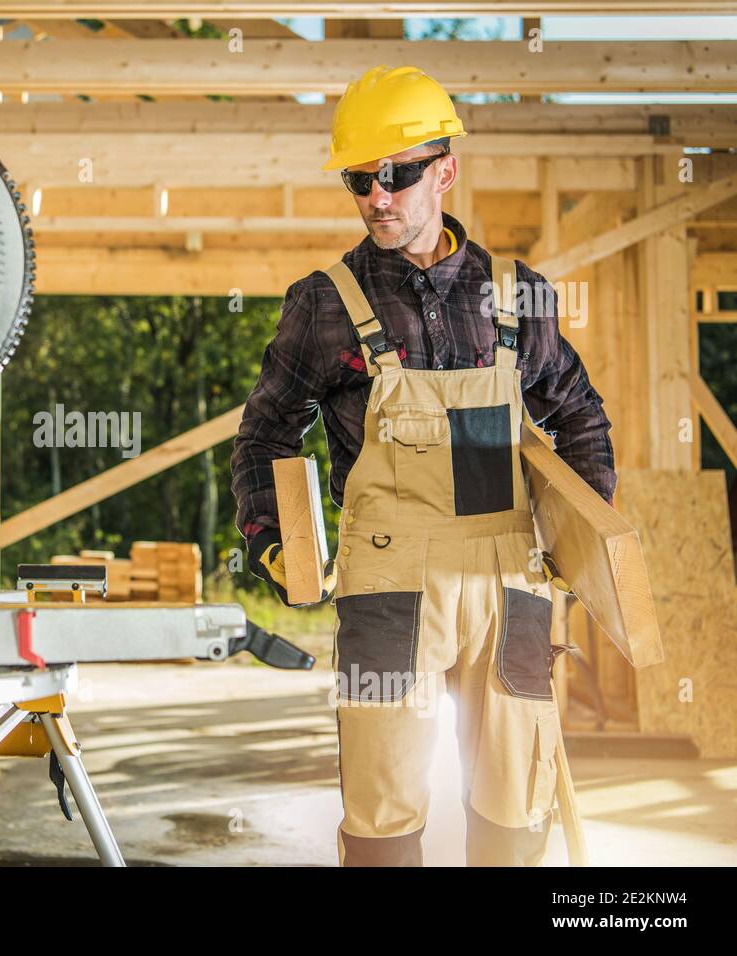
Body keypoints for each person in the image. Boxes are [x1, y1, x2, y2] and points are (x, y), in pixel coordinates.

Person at [230, 65, 616, 866]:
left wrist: (582, 548)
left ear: (446, 169)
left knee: (515, 814)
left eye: (397, 174)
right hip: (389, 590)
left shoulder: (518, 297)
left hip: (510, 585)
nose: (377, 195)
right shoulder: (326, 301)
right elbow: (266, 434)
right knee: (382, 820)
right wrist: (277, 543)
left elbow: (578, 415)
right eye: (359, 179)